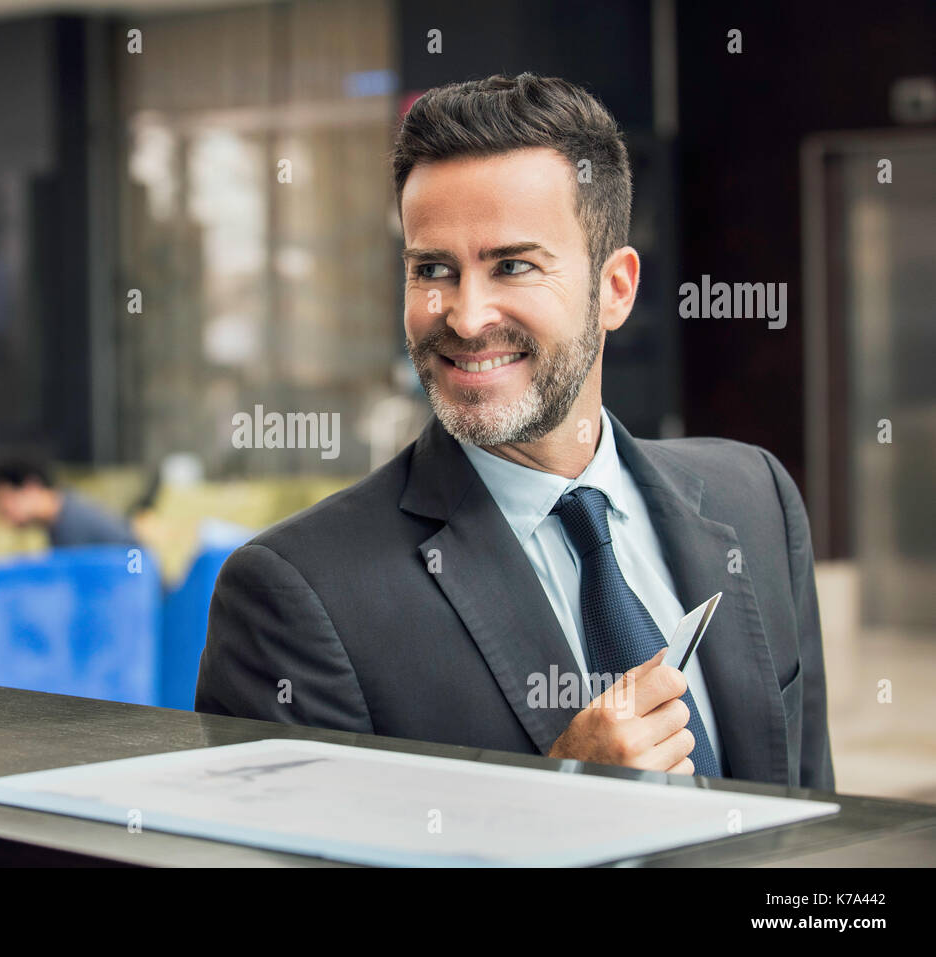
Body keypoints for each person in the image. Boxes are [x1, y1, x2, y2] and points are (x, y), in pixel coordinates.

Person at [196, 73, 833, 789]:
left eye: (513, 265)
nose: (466, 317)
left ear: (614, 290)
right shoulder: (296, 596)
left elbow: (817, 830)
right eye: (433, 268)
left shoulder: (757, 502)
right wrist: (555, 804)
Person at [0, 459, 136, 547]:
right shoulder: (61, 517)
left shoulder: (73, 520)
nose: (6, 517)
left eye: (5, 506)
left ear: (30, 486)